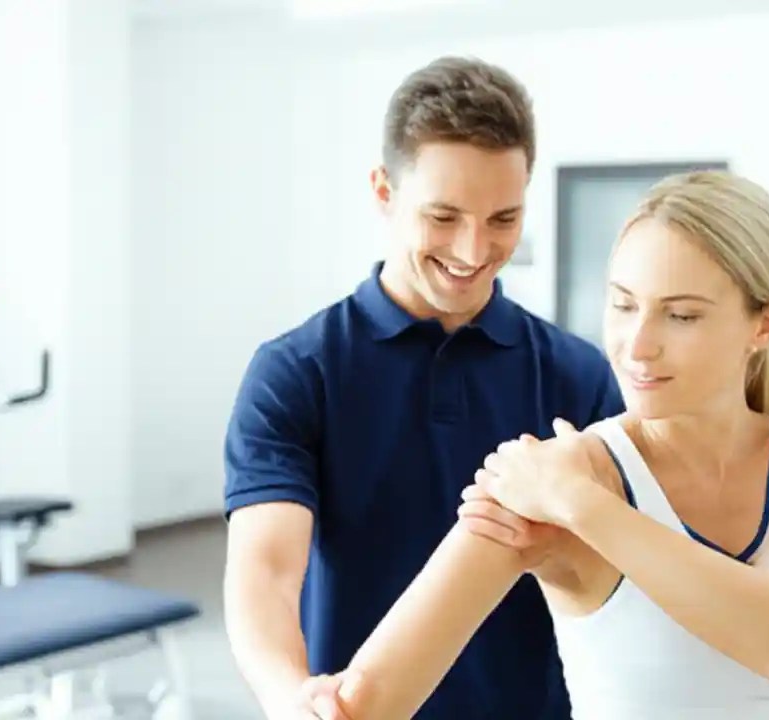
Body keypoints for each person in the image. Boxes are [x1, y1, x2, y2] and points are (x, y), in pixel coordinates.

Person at [318, 170, 769, 720]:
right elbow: (366, 701)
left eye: (680, 315)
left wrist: (580, 506)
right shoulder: (560, 472)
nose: (638, 346)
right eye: (623, 305)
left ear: (764, 324)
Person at [221, 56, 623, 719]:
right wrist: (287, 695)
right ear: (384, 191)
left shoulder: (578, 377)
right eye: (444, 216)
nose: (473, 250)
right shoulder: (296, 372)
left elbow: (615, 575)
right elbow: (265, 570)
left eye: (503, 219)